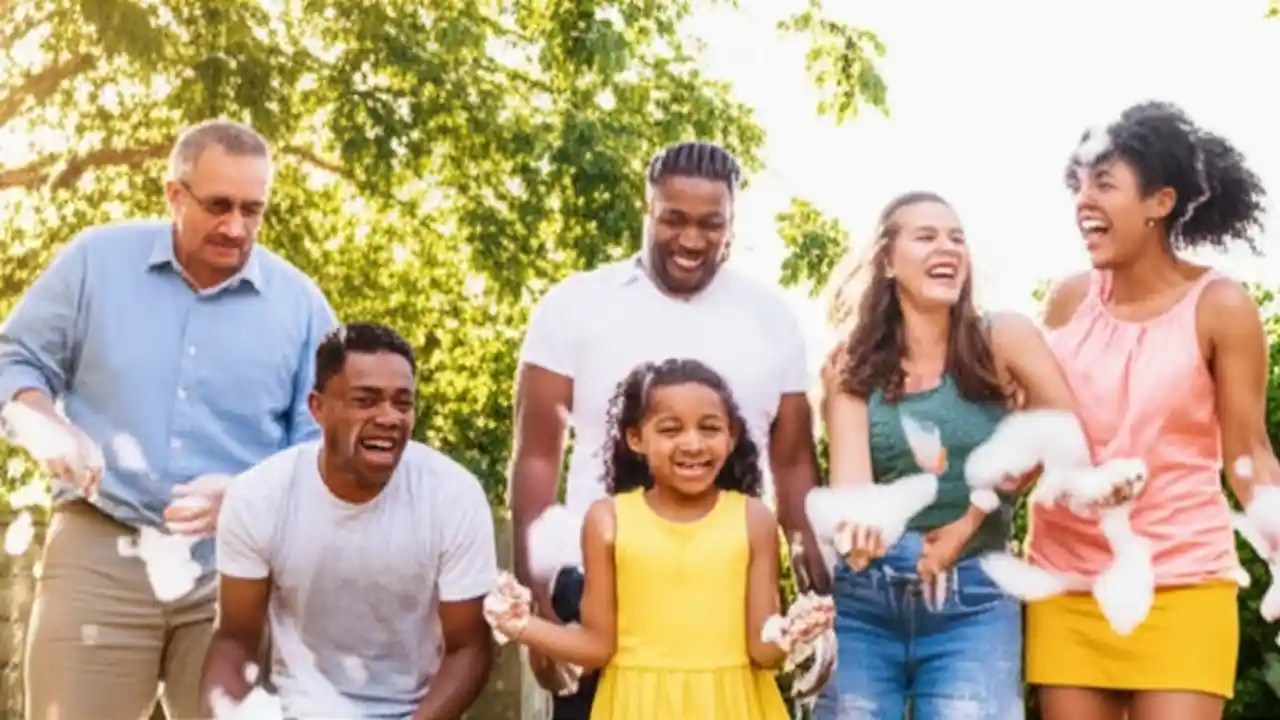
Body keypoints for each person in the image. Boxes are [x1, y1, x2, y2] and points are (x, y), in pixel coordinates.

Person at [0, 119, 336, 719]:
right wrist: (39, 419)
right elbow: (14, 359)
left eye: (253, 210)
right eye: (218, 206)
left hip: (235, 571)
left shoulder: (302, 306)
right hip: (100, 545)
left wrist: (248, 496)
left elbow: (329, 450)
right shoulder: (95, 263)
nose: (236, 227)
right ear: (174, 195)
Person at [509, 140, 828, 717]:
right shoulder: (574, 305)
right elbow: (536, 455)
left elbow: (795, 464)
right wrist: (536, 598)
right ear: (647, 209)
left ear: (732, 224)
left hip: (728, 597)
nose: (691, 239)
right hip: (597, 588)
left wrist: (814, 590)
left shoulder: (771, 319)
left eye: (712, 224)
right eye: (673, 219)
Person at [1028, 100, 1271, 720]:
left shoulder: (1221, 307)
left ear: (1159, 203)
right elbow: (1035, 436)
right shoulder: (1068, 301)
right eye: (1078, 183)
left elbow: (1247, 454)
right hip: (1069, 581)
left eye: (1104, 184)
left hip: (1183, 581)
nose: (1084, 200)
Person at [813, 191, 1081, 720]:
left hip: (975, 597)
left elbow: (1064, 433)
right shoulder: (849, 363)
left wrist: (972, 517)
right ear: (888, 261)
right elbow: (853, 489)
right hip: (866, 605)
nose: (949, 248)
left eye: (957, 237)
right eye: (927, 236)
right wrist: (857, 534)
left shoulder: (1002, 337)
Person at [200, 322, 497, 719]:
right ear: (318, 408)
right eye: (366, 400)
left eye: (402, 403)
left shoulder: (452, 495)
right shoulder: (260, 496)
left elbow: (470, 646)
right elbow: (236, 640)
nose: (389, 416)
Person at [493, 358, 791, 719]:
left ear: (732, 438)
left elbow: (764, 650)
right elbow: (596, 645)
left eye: (710, 428)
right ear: (636, 438)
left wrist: (797, 633)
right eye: (670, 430)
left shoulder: (754, 519)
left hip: (735, 706)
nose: (693, 443)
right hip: (636, 706)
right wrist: (522, 626)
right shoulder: (607, 521)